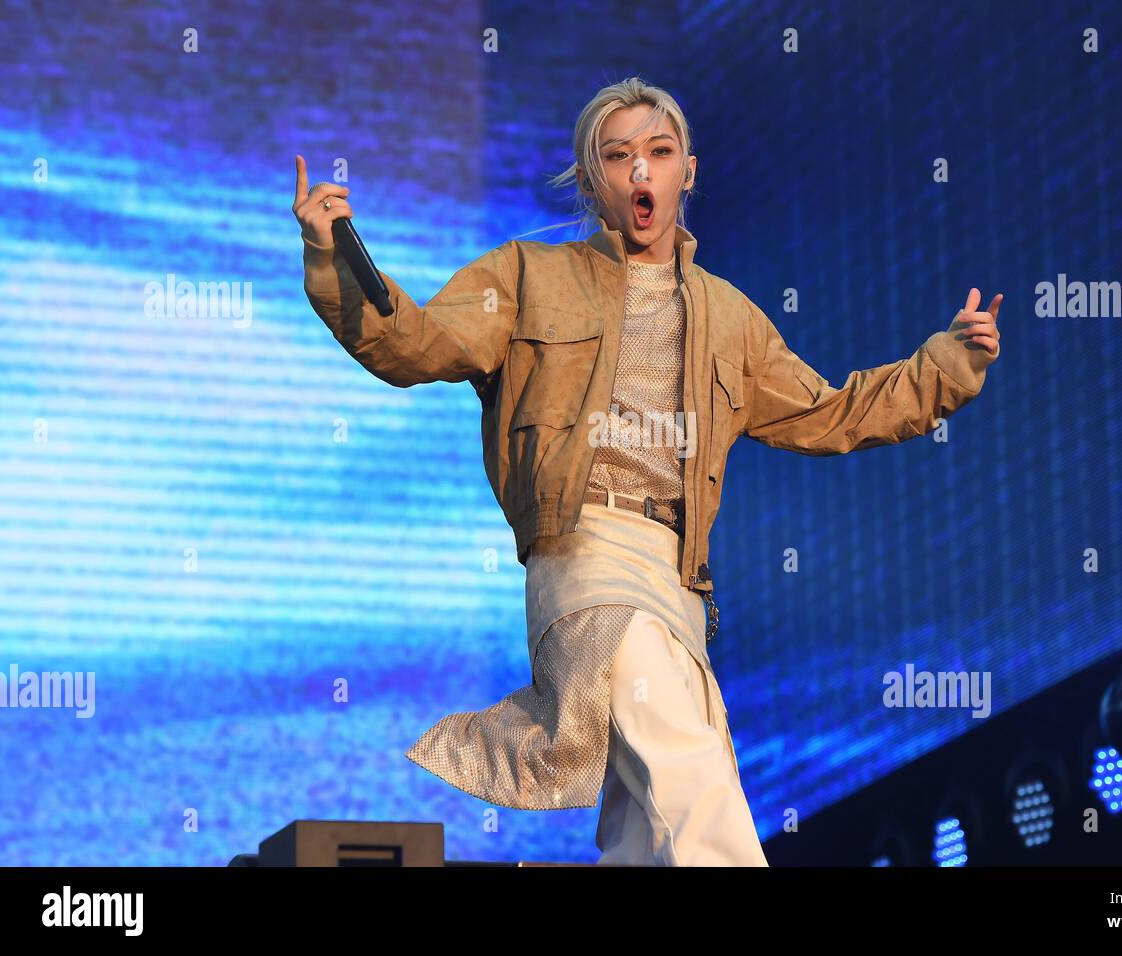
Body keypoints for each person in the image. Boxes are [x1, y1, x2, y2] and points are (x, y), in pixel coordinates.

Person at [293, 76, 1001, 866]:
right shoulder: (528, 277)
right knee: (692, 772)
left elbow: (831, 414)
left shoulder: (728, 317)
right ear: (592, 177)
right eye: (618, 155)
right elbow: (413, 342)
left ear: (686, 172)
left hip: (677, 580)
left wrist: (949, 365)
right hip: (583, 551)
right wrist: (333, 258)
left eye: (658, 154)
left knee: (642, 832)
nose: (641, 172)